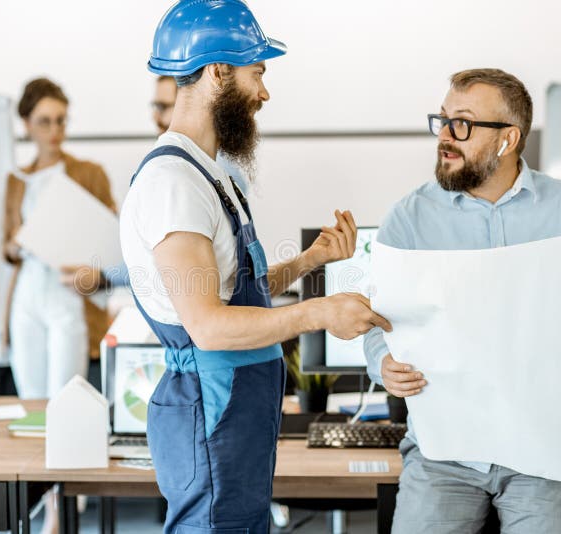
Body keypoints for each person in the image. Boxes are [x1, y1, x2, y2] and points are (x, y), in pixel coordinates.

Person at [120, 1, 392, 532]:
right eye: (258, 73)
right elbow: (209, 325)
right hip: (212, 413)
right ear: (219, 71)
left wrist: (312, 260)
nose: (264, 93)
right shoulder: (173, 185)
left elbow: (235, 290)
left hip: (233, 414)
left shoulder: (209, 175)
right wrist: (319, 313)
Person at [363, 68, 561, 534]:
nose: (445, 136)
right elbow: (378, 321)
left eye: (462, 123)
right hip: (445, 454)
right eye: (443, 120)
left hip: (547, 453)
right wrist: (383, 363)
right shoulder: (408, 219)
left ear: (508, 139)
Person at [3, 77, 116, 399]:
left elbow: (111, 238)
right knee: (31, 393)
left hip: (68, 288)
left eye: (60, 121)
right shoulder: (16, 180)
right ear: (26, 124)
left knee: (67, 393)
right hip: (28, 289)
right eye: (44, 122)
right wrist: (16, 243)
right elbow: (6, 249)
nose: (54, 130)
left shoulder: (89, 173)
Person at [152, 73, 251, 193]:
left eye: (162, 107)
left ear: (185, 105)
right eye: (155, 106)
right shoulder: (177, 160)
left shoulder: (219, 168)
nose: (155, 117)